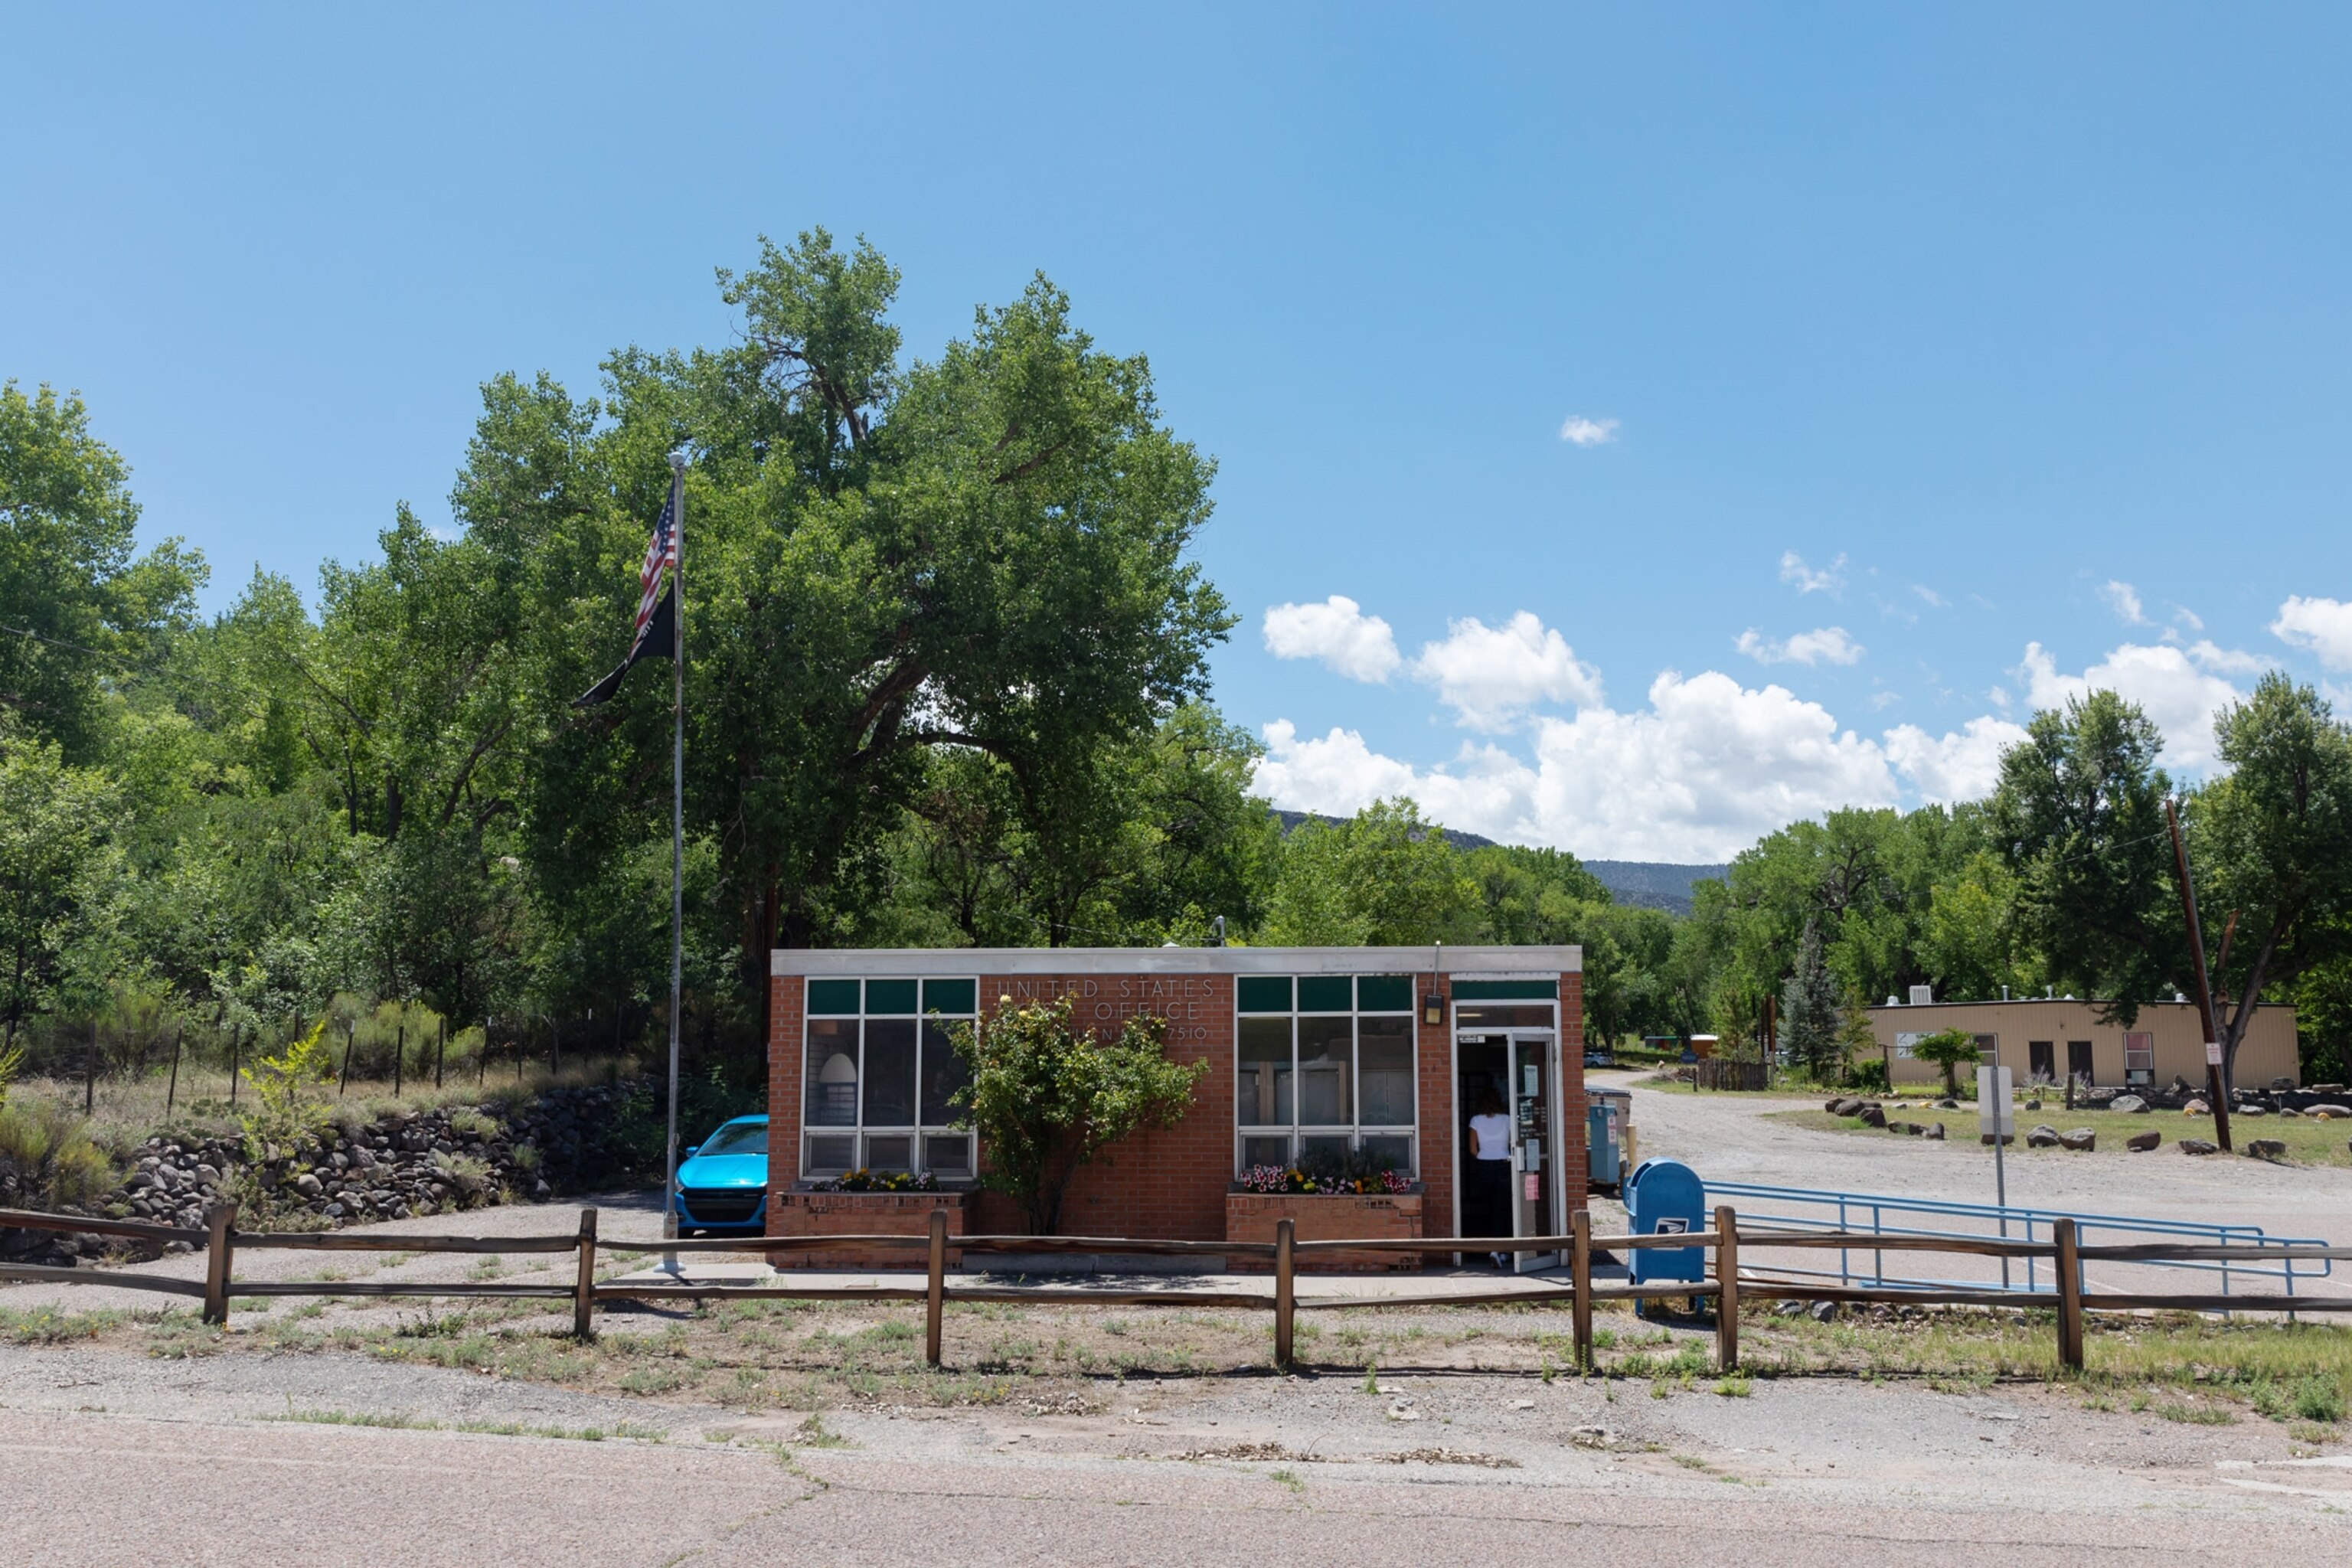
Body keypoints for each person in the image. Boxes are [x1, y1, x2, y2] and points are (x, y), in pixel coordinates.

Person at [1465, 1087, 1513, 1269]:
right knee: (1503, 1208)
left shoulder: (1476, 1120)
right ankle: (1501, 1250)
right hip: (1503, 1163)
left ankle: (1492, 1248)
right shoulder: (1507, 1119)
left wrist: (1482, 1158)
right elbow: (1514, 1142)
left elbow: (1472, 1149)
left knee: (1487, 1207)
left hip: (1484, 1165)